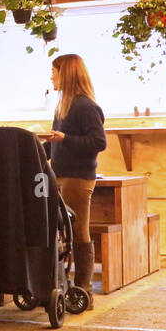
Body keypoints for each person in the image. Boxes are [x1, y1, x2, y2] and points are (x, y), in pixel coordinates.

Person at [43, 54, 106, 307]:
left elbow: (99, 142)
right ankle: (62, 285)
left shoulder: (85, 106)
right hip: (60, 176)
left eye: (54, 72)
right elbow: (56, 143)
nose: (52, 76)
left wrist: (64, 139)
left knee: (78, 232)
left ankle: (84, 290)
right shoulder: (63, 106)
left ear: (66, 74)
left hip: (78, 178)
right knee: (64, 233)